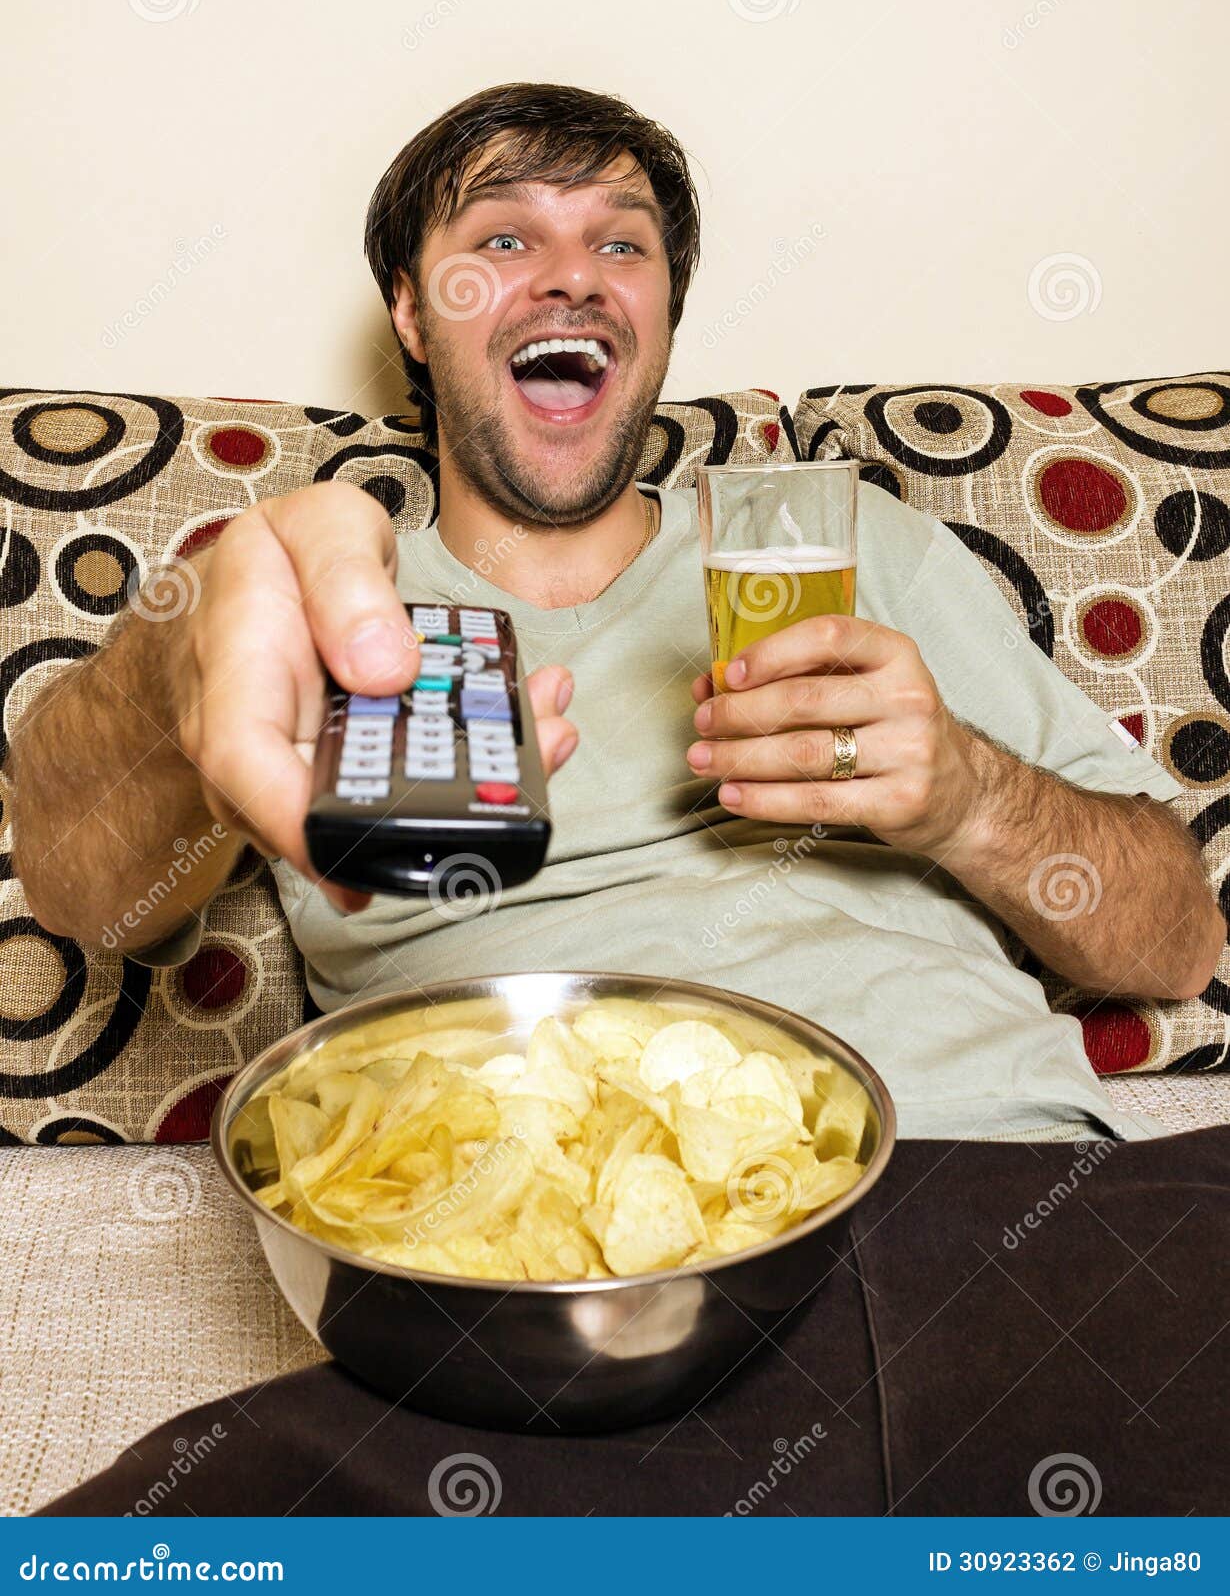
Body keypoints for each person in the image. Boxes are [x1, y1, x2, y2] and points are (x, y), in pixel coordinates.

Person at [13, 84, 1229, 1517]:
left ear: (658, 310)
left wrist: (964, 794)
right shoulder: (304, 601)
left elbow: (1171, 944)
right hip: (539, 1312)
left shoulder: (852, 542)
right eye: (504, 239)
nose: (571, 274)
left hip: (1003, 1206)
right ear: (412, 309)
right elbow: (87, 890)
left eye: (621, 243)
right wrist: (179, 652)